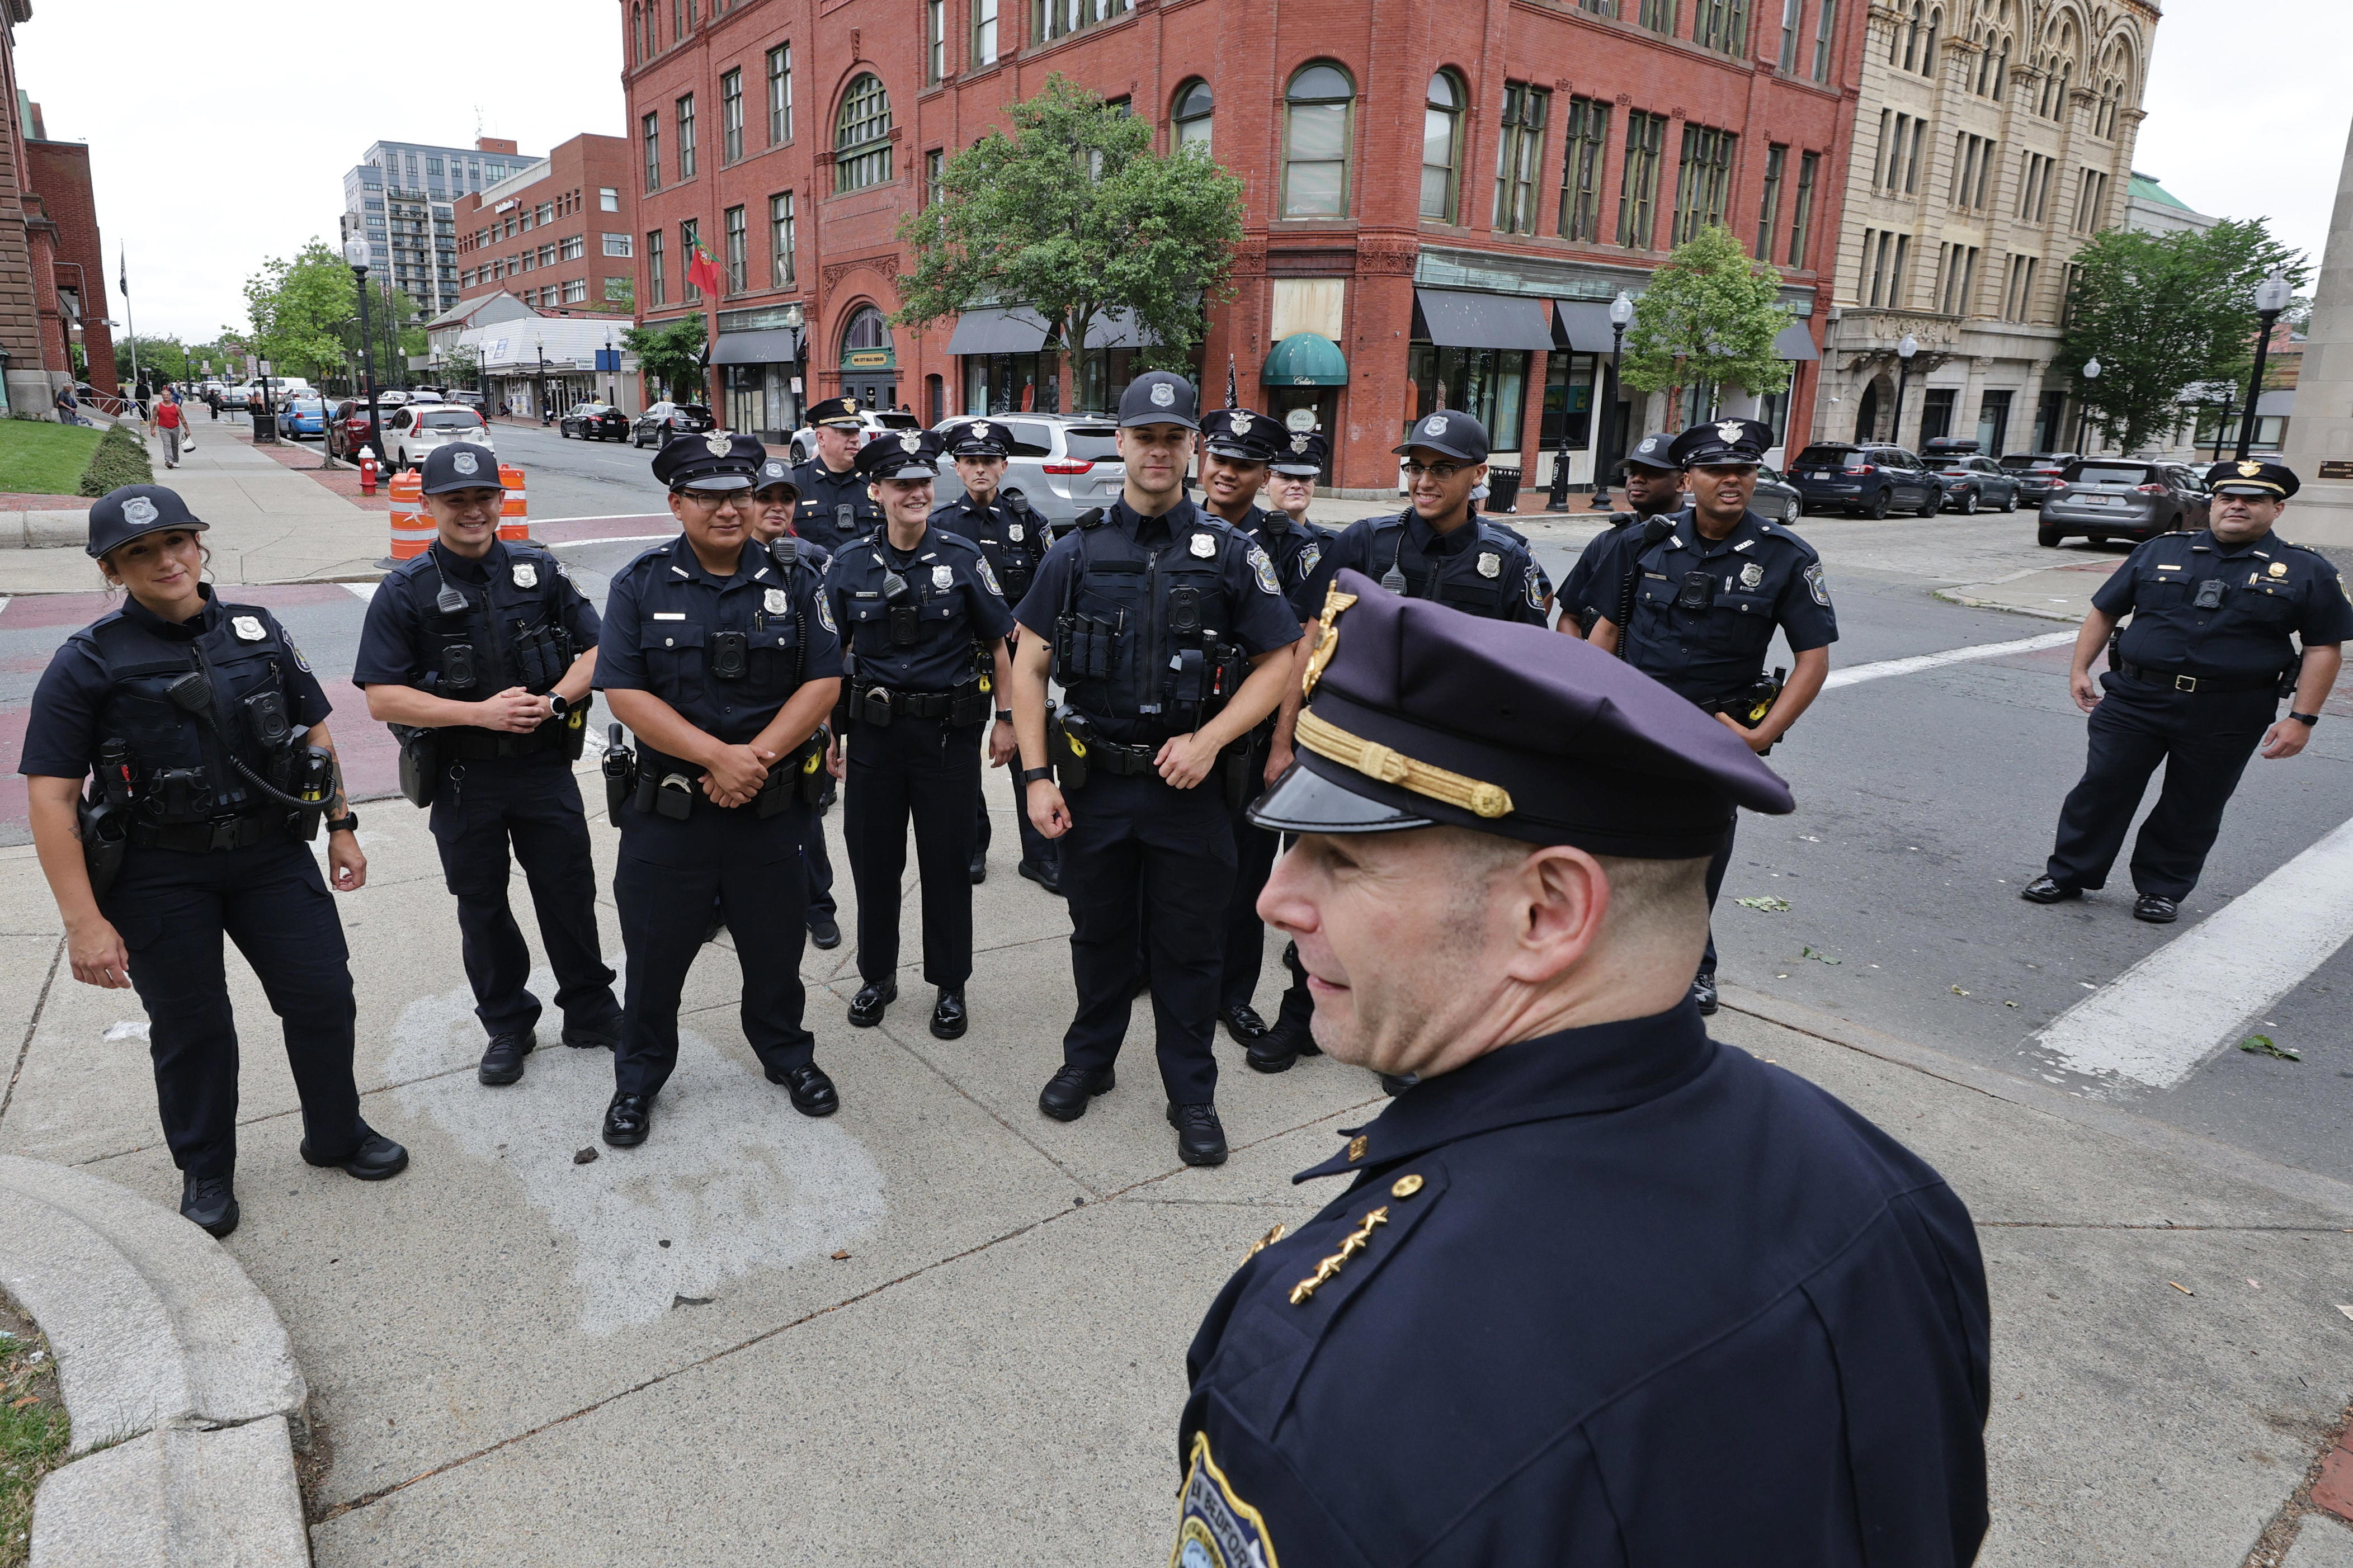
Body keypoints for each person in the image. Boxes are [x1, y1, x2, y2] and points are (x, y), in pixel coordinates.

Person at [1175, 572, 1991, 1564]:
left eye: (1340, 858)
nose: (1275, 897)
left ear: (1548, 911)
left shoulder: (1330, 1386)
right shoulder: (1894, 1193)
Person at [18, 485, 408, 1238]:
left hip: (270, 855)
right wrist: (83, 921)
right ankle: (206, 1168)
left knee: (323, 995)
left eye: (176, 541)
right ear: (111, 570)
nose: (165, 560)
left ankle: (336, 1131)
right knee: (192, 1028)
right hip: (158, 871)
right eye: (139, 552)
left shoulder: (259, 630)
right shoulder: (87, 661)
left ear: (198, 544)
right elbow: (52, 796)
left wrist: (341, 827)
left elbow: (314, 733)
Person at [1007, 372, 1304, 1165]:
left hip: (1189, 789)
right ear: (1122, 443)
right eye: (1145, 437)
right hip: (1096, 783)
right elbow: (1028, 666)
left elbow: (1279, 660)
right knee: (1098, 935)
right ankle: (1089, 1059)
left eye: (1174, 439)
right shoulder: (1075, 550)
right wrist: (1036, 777)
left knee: (1190, 947)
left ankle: (1191, 1091)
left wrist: (1210, 741)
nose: (1159, 451)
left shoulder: (1231, 553)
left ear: (1191, 449)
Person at [594, 433, 843, 1147]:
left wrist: (751, 762)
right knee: (654, 958)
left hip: (768, 809)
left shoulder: (798, 579)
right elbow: (623, 691)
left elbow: (824, 681)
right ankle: (638, 1078)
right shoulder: (640, 583)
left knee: (775, 951)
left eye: (739, 494)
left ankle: (787, 1054)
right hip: (669, 816)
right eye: (707, 497)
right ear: (677, 503)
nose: (728, 509)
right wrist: (714, 757)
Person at [353, 442, 621, 1087]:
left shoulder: (540, 571)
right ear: (428, 505)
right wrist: (478, 714)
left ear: (501, 500)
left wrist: (556, 700)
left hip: (542, 767)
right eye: (456, 499)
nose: (472, 510)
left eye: (484, 497)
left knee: (569, 891)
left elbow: (600, 649)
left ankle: (590, 1009)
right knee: (482, 905)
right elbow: (382, 695)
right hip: (463, 776)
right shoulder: (405, 590)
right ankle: (507, 1023)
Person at [2022, 458, 2349, 922]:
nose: (2236, 506)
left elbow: (2322, 647)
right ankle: (2069, 873)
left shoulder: (2304, 569)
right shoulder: (2159, 550)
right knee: (2101, 789)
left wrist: (2302, 718)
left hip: (2231, 708)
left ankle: (2161, 888)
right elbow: (2105, 610)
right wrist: (2079, 669)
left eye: (2253, 500)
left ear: (2277, 509)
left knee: (2194, 803)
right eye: (2226, 498)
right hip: (2136, 698)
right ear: (2211, 504)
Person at [1588, 418, 1836, 1016]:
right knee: (1614, 842)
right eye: (1716, 470)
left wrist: (1760, 734)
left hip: (1711, 733)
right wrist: (1588, 708)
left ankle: (1693, 966)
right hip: (1634, 725)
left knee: (1699, 852)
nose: (1731, 480)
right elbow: (1605, 630)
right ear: (1688, 479)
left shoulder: (1785, 556)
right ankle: (1604, 953)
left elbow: (1813, 658)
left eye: (1743, 470)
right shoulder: (1641, 542)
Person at [824, 429, 1017, 1038]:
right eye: (901, 484)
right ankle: (877, 976)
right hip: (874, 738)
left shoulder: (962, 557)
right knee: (874, 864)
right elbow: (830, 658)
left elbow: (999, 645)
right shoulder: (848, 563)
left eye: (923, 483)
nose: (915, 493)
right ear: (876, 491)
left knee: (947, 865)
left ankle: (950, 983)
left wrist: (1007, 720)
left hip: (946, 738)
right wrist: (830, 734)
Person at [1193, 408, 1333, 1060]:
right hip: (1178, 733)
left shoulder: (1291, 546)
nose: (1227, 473)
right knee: (1168, 867)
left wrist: (1281, 744)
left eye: (1244, 464)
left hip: (1248, 740)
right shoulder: (1172, 526)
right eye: (1219, 459)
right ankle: (1156, 966)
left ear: (1263, 474)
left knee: (1243, 871)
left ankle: (1230, 993)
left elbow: (1300, 650)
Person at [930, 418, 1058, 893]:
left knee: (1028, 748)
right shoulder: (939, 525)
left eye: (989, 461)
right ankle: (972, 847)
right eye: (970, 461)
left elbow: (1051, 585)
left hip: (1020, 657)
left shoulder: (1030, 522)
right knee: (962, 753)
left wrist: (1030, 622)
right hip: (960, 657)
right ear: (957, 468)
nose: (980, 469)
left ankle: (1041, 855)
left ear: (1004, 467)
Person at [1295, 409, 1549, 629]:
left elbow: (1530, 648)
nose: (1424, 483)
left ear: (1478, 473)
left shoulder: (1509, 558)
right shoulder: (1364, 540)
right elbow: (1314, 633)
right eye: (1416, 469)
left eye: (1442, 469)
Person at [742, 455, 842, 949]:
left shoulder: (815, 561)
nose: (776, 507)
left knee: (804, 817)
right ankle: (720, 905)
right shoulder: (723, 556)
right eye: (765, 498)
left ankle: (816, 905)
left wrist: (830, 727)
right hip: (739, 713)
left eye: (786, 498)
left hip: (799, 716)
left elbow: (832, 651)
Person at [1555, 431, 1686, 636]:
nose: (1638, 479)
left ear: (1682, 483)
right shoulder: (1608, 542)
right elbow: (1571, 618)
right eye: (1633, 473)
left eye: (1652, 473)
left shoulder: (1698, 541)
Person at [791, 396, 886, 554]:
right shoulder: (796, 481)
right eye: (845, 432)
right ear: (821, 438)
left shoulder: (876, 479)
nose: (855, 439)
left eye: (857, 432)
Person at [153, 388, 187, 469]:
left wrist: (187, 429)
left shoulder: (176, 407)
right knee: (167, 444)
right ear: (162, 396)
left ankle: (175, 461)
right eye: (164, 395)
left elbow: (182, 418)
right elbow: (154, 418)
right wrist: (152, 429)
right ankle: (169, 461)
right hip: (163, 428)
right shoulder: (158, 406)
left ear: (171, 396)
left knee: (175, 445)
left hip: (175, 428)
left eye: (167, 395)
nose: (166, 396)